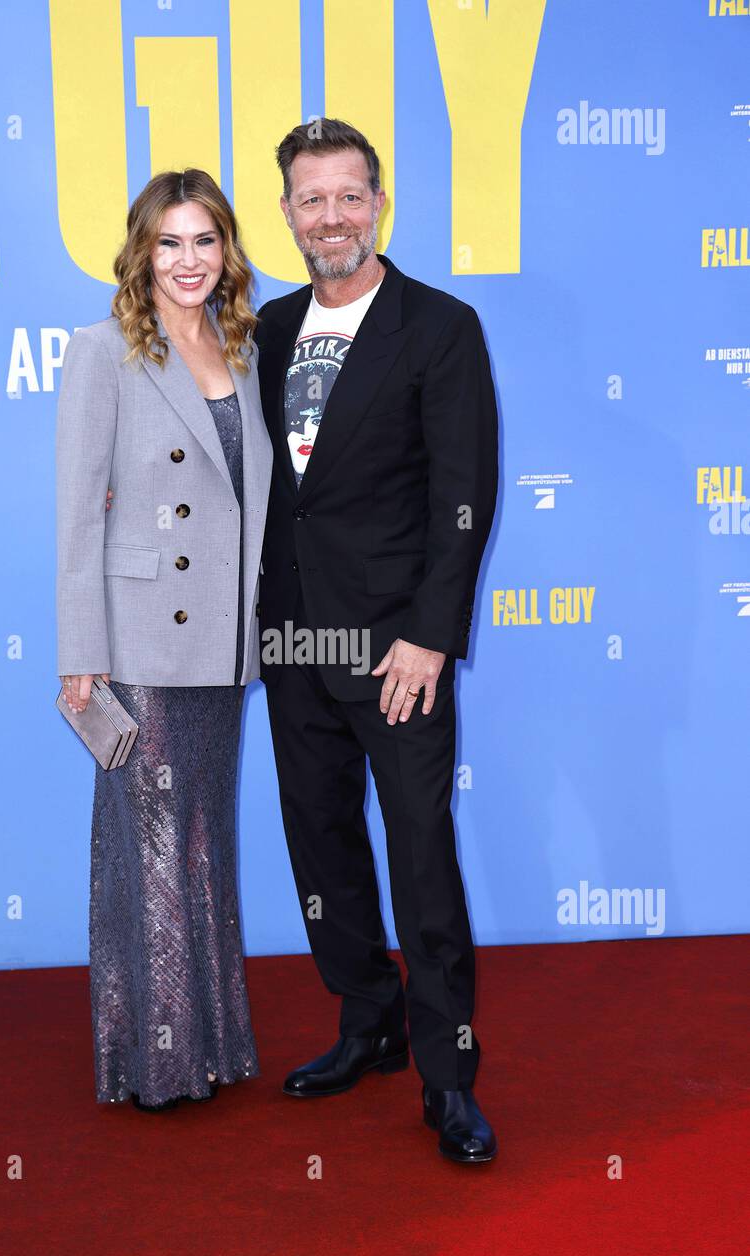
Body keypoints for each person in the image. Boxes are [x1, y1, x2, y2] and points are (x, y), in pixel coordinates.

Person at [254, 119, 500, 1163]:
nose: (331, 218)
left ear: (380, 203)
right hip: (294, 642)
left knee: (420, 855)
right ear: (287, 217)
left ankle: (450, 1078)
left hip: (395, 649)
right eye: (311, 200)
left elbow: (464, 494)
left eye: (349, 196)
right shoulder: (265, 328)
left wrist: (429, 640)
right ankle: (368, 1021)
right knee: (322, 844)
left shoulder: (439, 326)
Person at [56, 169, 273, 1111]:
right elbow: (75, 520)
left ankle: (210, 1044)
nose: (188, 261)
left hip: (222, 648)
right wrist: (80, 652)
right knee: (149, 851)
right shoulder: (102, 352)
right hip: (142, 641)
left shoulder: (249, 348)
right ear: (142, 252)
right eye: (169, 243)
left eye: (205, 241)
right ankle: (158, 1064)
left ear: (227, 251)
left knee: (201, 842)